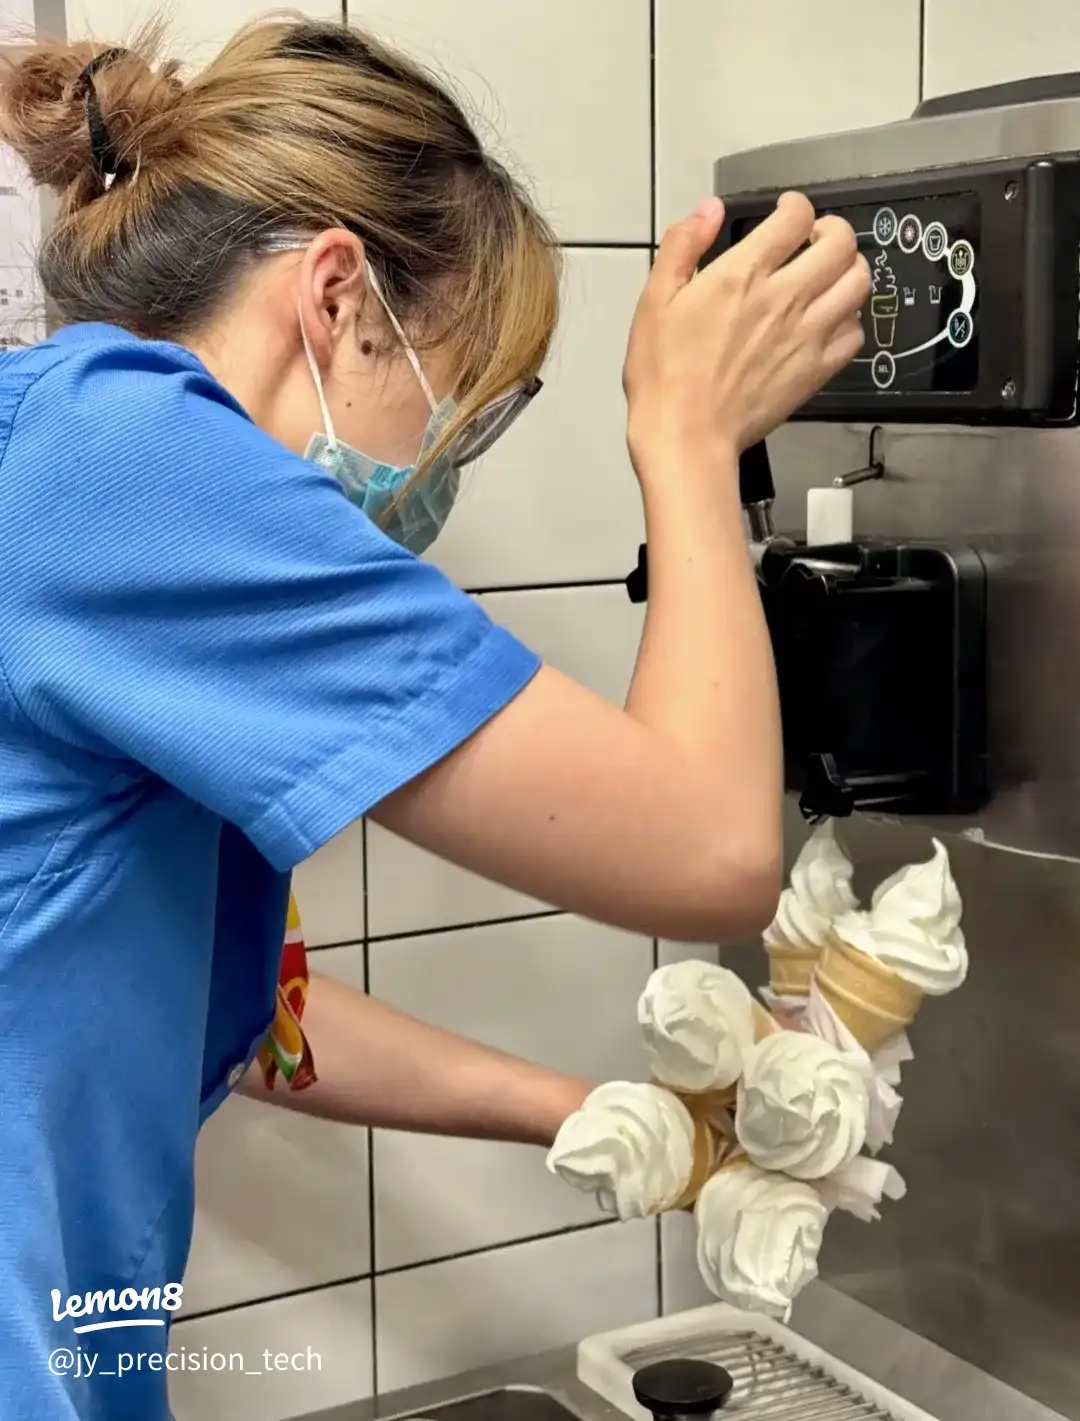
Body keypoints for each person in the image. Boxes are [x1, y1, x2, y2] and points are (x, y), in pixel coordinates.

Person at [0, 13, 869, 1419]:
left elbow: (241, 1019)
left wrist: (585, 1108)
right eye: (454, 409)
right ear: (338, 295)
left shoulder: (67, 463)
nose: (433, 470)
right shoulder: (135, 459)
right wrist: (689, 441)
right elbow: (710, 851)